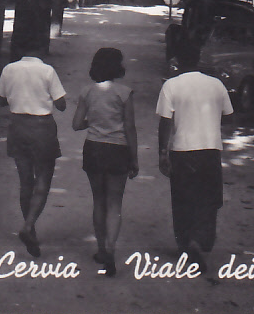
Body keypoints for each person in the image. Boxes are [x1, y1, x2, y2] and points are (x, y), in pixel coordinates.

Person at [156, 42, 234, 276]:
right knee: (209, 197)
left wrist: (162, 152)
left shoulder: (171, 86)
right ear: (199, 58)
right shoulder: (216, 85)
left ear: (177, 61)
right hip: (210, 149)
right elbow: (229, 117)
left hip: (182, 150)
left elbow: (165, 122)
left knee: (182, 198)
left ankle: (185, 243)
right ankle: (202, 240)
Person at [0, 46, 67, 258]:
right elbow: (61, 104)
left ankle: (31, 229)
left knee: (25, 181)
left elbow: (0, 100)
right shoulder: (47, 71)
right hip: (42, 127)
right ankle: (28, 227)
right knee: (43, 179)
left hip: (18, 126)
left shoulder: (9, 69)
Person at [72, 48, 138, 276]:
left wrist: (95, 119)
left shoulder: (87, 92)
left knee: (98, 200)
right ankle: (111, 248)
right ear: (118, 67)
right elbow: (130, 127)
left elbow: (76, 124)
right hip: (118, 149)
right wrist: (134, 158)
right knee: (114, 203)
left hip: (94, 148)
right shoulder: (125, 92)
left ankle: (101, 249)